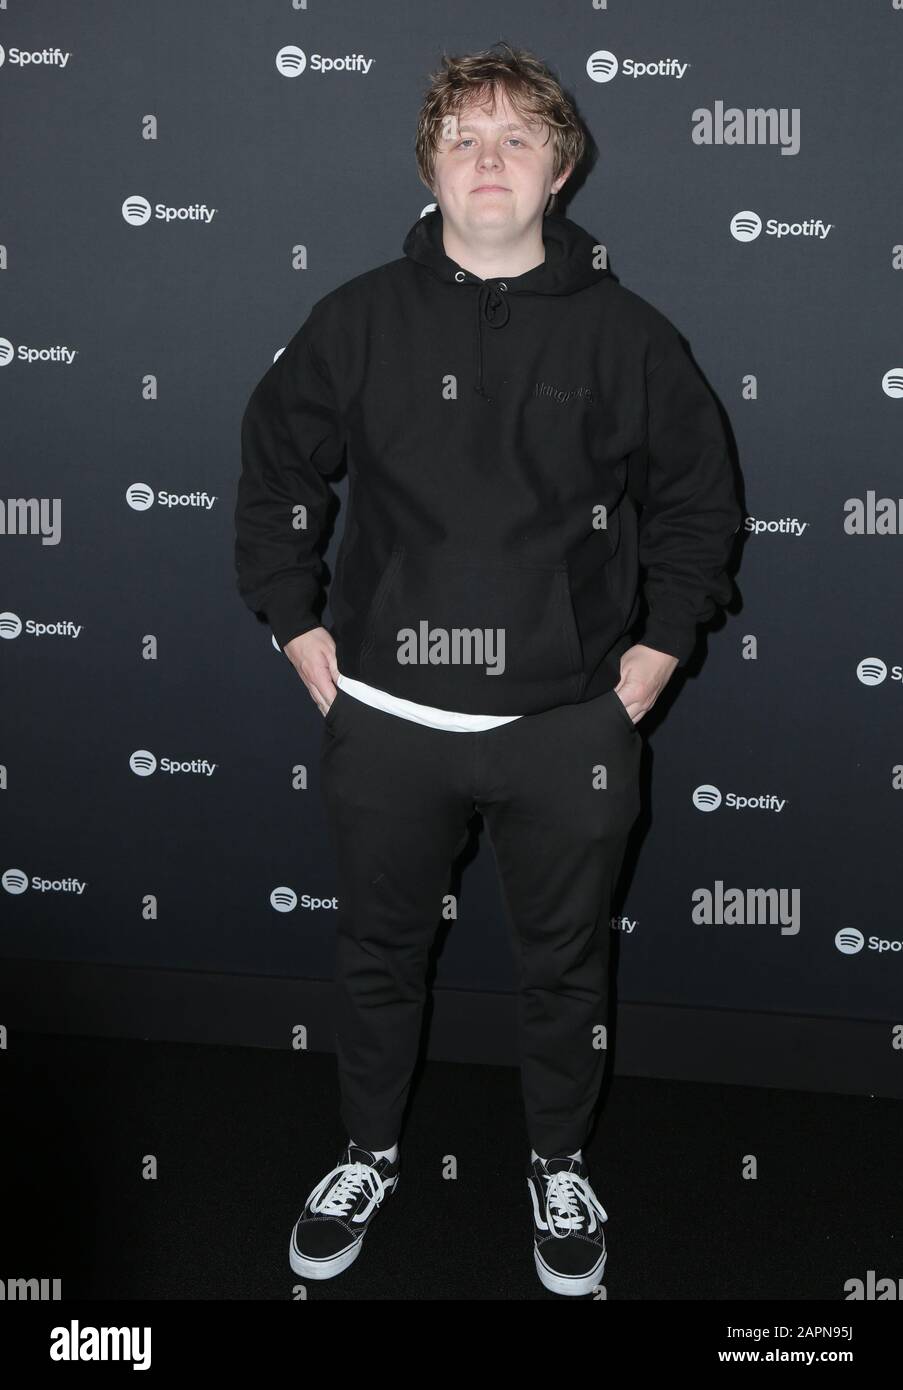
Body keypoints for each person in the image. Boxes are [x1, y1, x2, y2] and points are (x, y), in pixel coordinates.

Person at [234, 41, 742, 1297]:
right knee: (375, 955)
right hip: (389, 724)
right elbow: (276, 474)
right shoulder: (354, 318)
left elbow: (697, 501)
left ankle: (558, 1163)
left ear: (561, 168)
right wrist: (299, 630)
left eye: (518, 137)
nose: (489, 159)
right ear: (430, 167)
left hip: (567, 726)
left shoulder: (629, 335)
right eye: (464, 137)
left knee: (568, 965)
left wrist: (655, 655)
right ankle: (368, 1151)